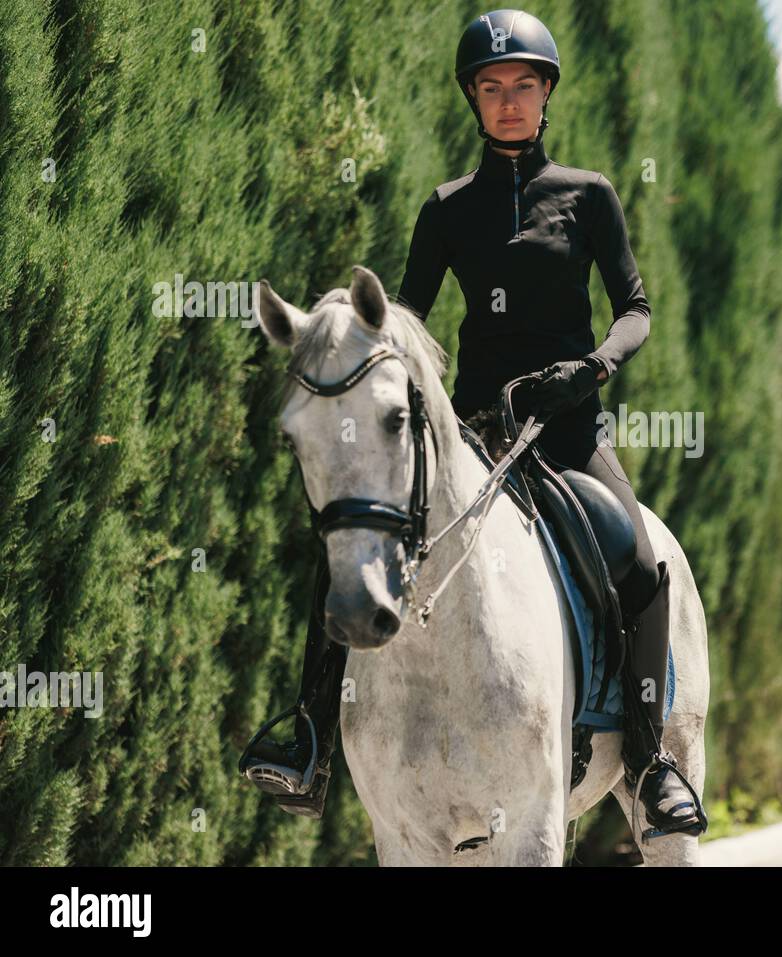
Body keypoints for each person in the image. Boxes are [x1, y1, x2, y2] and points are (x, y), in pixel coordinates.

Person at [240, 9, 706, 840]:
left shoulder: (589, 195)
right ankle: (310, 734)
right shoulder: (447, 209)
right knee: (349, 558)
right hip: (476, 433)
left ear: (546, 93)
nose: (509, 102)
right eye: (492, 89)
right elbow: (406, 324)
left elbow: (636, 308)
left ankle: (647, 754)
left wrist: (592, 367)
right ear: (474, 100)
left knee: (636, 554)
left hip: (568, 432)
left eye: (523, 86)